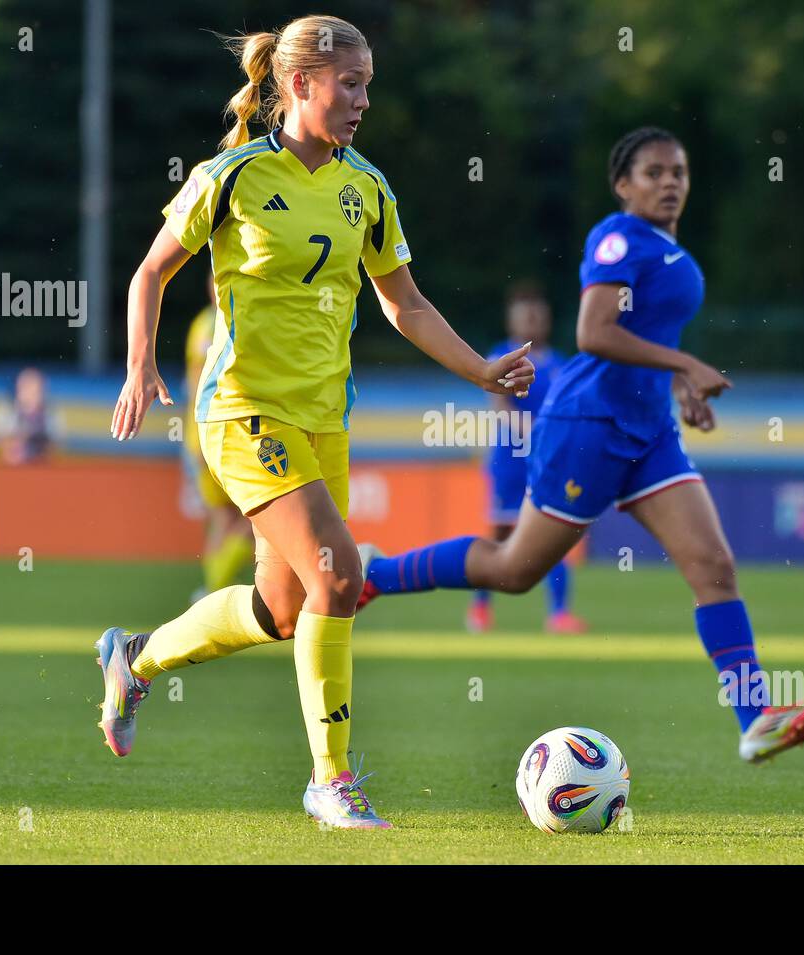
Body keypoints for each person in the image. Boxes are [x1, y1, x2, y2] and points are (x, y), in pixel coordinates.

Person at [97, 15, 534, 829]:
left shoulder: (366, 187)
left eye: (369, 83)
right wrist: (138, 365)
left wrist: (479, 368)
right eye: (351, 83)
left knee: (284, 610)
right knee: (340, 574)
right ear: (299, 84)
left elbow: (403, 303)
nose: (364, 99)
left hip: (323, 422)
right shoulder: (230, 176)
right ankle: (329, 779)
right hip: (241, 411)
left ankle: (135, 658)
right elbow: (150, 272)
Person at [359, 127, 804, 763]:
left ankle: (755, 720)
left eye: (680, 173)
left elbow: (643, 336)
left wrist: (678, 384)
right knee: (514, 570)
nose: (670, 183)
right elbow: (594, 332)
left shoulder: (670, 250)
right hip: (587, 426)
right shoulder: (617, 239)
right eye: (654, 172)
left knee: (713, 566)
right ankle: (376, 574)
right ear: (623, 185)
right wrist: (686, 364)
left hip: (649, 432)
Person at [466, 282, 586, 635]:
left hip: (548, 463)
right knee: (502, 534)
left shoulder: (562, 366)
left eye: (537, 314)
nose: (532, 320)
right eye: (525, 314)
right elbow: (501, 406)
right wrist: (537, 432)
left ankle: (559, 613)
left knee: (553, 534)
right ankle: (480, 609)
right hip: (511, 462)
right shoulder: (502, 356)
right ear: (512, 320)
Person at [181, 273, 253, 598]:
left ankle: (210, 592)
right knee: (255, 520)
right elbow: (198, 381)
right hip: (224, 432)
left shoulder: (205, 322)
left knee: (224, 520)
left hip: (203, 433)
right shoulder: (228, 321)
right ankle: (214, 589)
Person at [0, 367, 63, 464]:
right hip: (12, 465)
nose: (29, 392)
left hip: (41, 465)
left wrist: (34, 441)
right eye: (25, 386)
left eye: (34, 388)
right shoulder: (9, 409)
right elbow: (0, 438)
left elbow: (56, 442)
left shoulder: (50, 411)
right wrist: (19, 441)